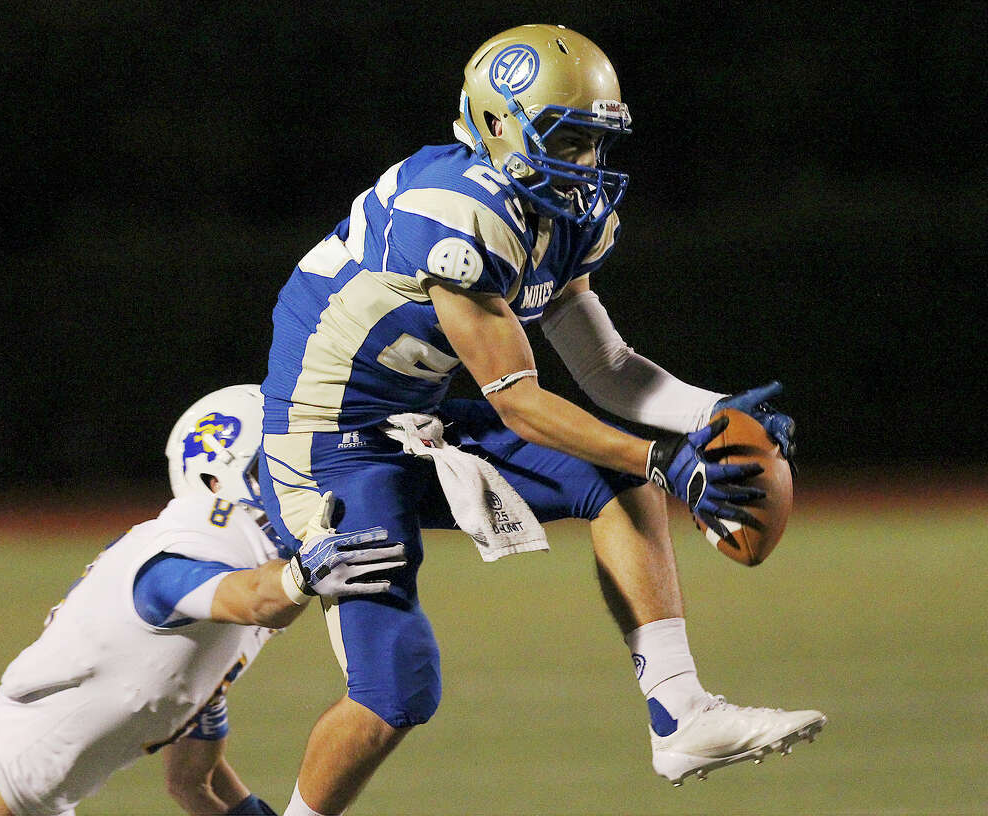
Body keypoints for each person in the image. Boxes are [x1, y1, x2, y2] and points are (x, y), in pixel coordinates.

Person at [258, 24, 825, 815]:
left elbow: (607, 367)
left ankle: (681, 715)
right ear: (497, 125)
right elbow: (518, 402)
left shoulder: (554, 214)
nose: (585, 163)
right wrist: (664, 460)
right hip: (324, 446)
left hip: (413, 421)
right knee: (396, 690)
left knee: (617, 484)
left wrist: (710, 412)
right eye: (567, 138)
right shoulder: (457, 208)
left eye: (596, 141)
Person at [0, 385, 406, 816]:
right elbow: (256, 598)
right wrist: (301, 575)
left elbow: (194, 781)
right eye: (274, 467)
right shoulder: (185, 550)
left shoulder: (223, 595)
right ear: (215, 481)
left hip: (25, 801)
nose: (300, 480)